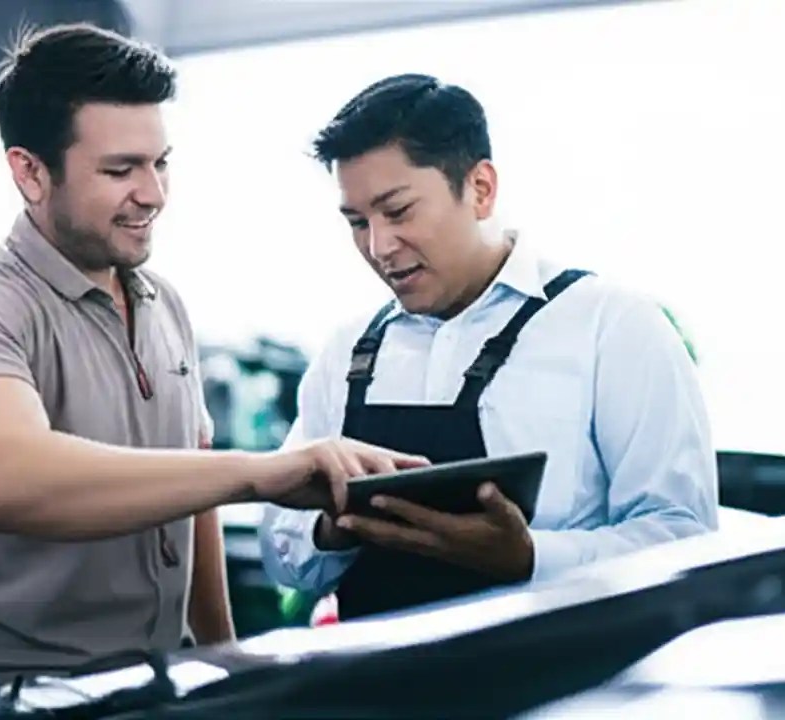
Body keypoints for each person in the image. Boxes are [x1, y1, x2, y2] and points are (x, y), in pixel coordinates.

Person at [0, 24, 425, 680]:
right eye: (121, 170)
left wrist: (224, 660)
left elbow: (191, 491)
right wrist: (258, 472)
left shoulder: (164, 305)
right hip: (6, 695)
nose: (154, 193)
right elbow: (1, 482)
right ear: (30, 172)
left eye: (160, 162)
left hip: (155, 686)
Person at [259, 74, 720, 620]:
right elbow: (281, 548)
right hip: (379, 688)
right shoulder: (348, 351)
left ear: (480, 189)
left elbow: (684, 539)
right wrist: (331, 530)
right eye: (358, 222)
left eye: (399, 211)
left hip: (561, 690)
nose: (379, 247)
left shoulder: (614, 327)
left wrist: (529, 557)